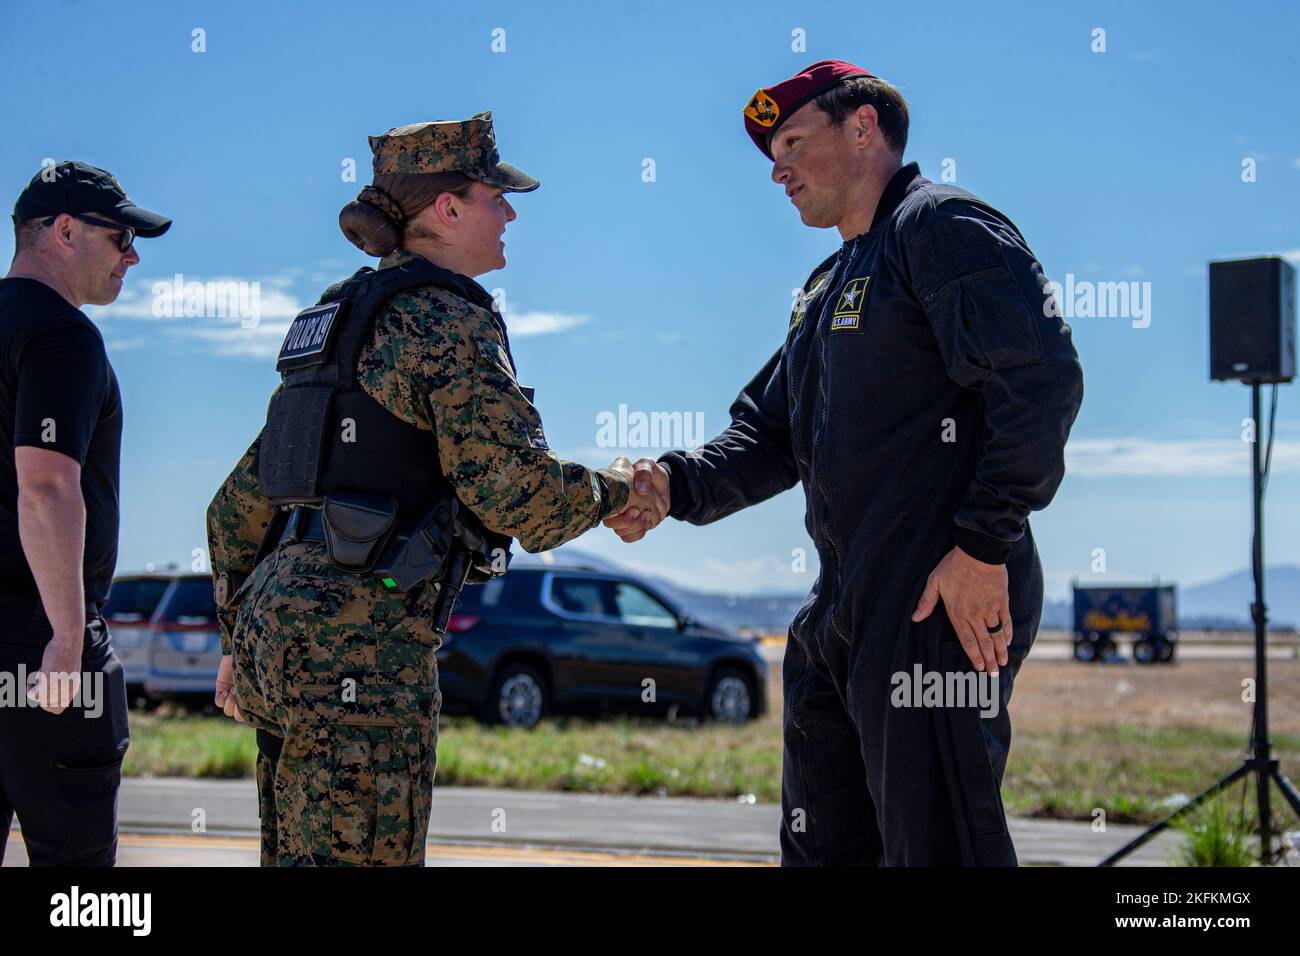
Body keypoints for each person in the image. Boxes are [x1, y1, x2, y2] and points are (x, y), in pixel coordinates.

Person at [605, 61, 1084, 865]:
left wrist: (981, 547)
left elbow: (1038, 381)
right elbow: (766, 436)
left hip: (936, 600)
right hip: (843, 605)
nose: (779, 169)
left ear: (863, 127)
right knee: (825, 844)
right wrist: (669, 485)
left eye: (793, 142)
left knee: (936, 844)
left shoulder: (940, 229)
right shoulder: (828, 283)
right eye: (770, 158)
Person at [206, 111, 666, 867]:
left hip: (276, 639)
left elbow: (235, 510)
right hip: (361, 649)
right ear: (447, 209)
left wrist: (238, 642)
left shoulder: (339, 321)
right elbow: (521, 498)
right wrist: (619, 490)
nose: (511, 212)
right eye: (496, 196)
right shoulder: (445, 320)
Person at [0, 161, 171, 865]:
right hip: (39, 644)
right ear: (64, 231)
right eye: (120, 237)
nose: (132, 256)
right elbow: (44, 488)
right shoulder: (62, 335)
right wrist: (68, 638)